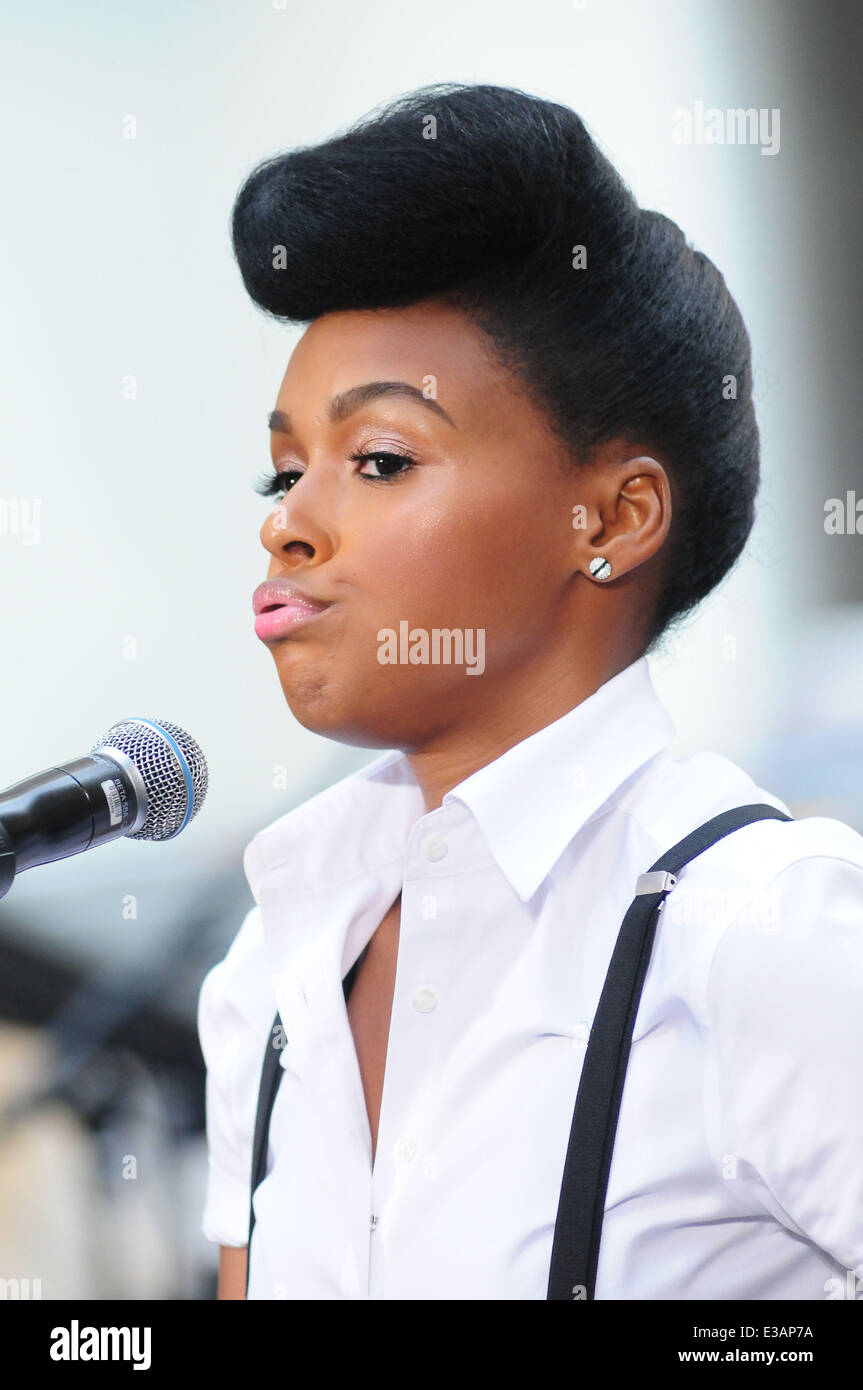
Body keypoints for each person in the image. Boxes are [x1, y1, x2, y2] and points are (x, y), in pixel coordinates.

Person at [197, 82, 863, 1300]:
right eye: (281, 470)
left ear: (610, 517)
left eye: (380, 459)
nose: (287, 525)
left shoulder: (761, 929)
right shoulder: (277, 953)